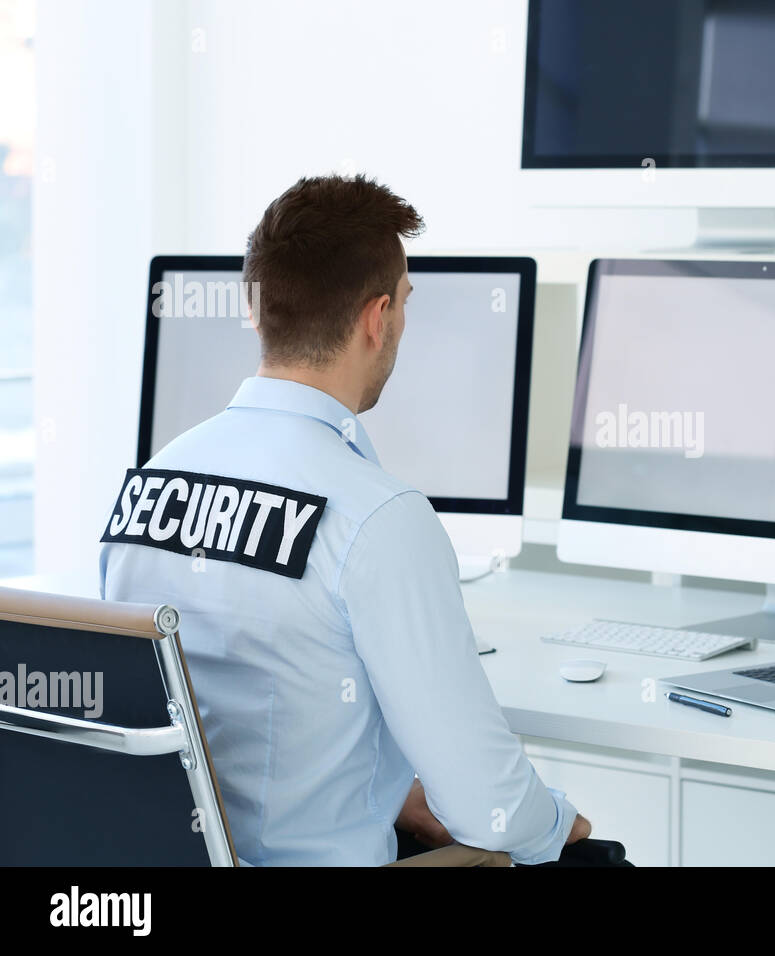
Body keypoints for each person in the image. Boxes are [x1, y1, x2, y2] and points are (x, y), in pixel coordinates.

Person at [99, 174, 590, 865]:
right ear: (376, 317)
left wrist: (390, 792)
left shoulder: (146, 487)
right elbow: (495, 811)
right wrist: (559, 827)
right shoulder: (379, 519)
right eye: (406, 306)